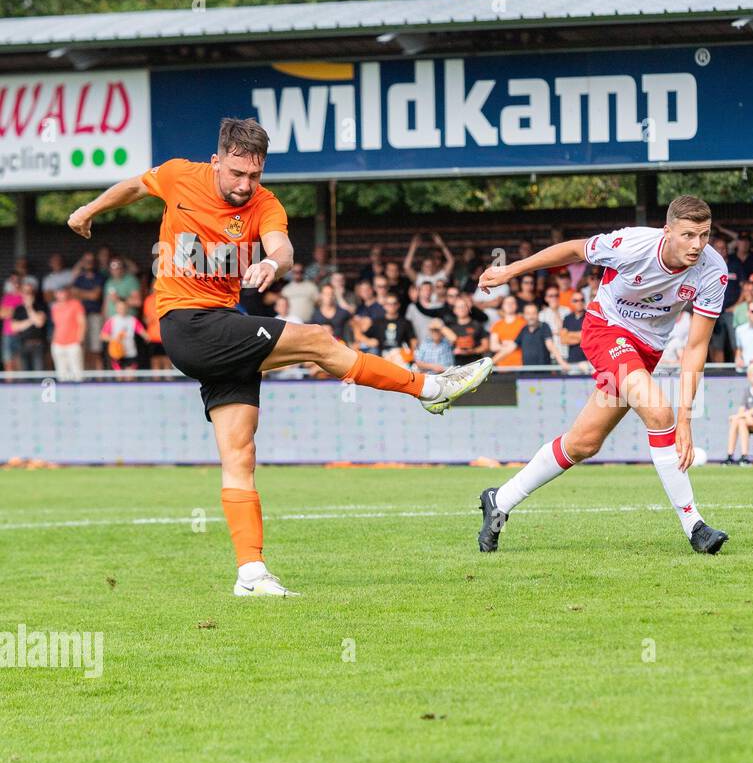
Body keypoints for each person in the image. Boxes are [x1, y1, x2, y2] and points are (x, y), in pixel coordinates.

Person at [65, 117, 491, 596]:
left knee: (240, 455)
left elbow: (282, 247)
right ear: (216, 161)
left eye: (256, 174)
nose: (246, 185)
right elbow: (134, 185)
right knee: (315, 338)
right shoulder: (179, 175)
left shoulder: (264, 204)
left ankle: (250, 574)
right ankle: (430, 388)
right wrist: (88, 209)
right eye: (237, 173)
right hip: (188, 324)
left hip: (223, 330)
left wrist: (271, 262)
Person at [475, 195, 729, 555]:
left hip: (646, 351)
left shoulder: (712, 270)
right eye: (688, 235)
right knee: (658, 411)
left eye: (704, 235)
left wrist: (687, 417)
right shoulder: (632, 245)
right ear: (667, 231)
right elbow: (574, 250)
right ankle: (695, 526)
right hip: (606, 330)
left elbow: (696, 346)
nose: (697, 245)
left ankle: (499, 500)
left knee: (583, 443)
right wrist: (509, 270)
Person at [100, 297, 147, 377]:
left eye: (124, 307)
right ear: (116, 308)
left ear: (127, 308)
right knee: (119, 378)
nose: (122, 309)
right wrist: (114, 339)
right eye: (120, 307)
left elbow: (144, 334)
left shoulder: (132, 320)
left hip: (130, 353)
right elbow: (102, 336)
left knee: (130, 378)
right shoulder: (112, 320)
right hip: (117, 354)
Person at [513, 301, 568, 368]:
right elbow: (511, 346)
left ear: (538, 314)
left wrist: (561, 362)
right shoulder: (524, 329)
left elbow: (550, 345)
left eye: (534, 313)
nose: (531, 316)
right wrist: (495, 360)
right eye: (528, 313)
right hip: (527, 374)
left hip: (543, 373)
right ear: (524, 315)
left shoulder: (544, 326)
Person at [49, 285, 86, 381]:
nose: (61, 294)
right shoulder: (54, 307)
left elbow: (82, 323)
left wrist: (79, 340)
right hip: (58, 344)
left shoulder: (75, 304)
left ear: (67, 293)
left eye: (63, 292)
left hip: (73, 343)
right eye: (59, 292)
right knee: (61, 375)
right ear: (55, 294)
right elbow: (56, 325)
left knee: (77, 374)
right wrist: (54, 341)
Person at [489, 295, 526, 367]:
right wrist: (513, 345)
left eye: (512, 303)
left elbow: (528, 343)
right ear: (503, 306)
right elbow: (493, 346)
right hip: (503, 365)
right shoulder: (497, 325)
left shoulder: (524, 322)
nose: (510, 305)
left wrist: (513, 344)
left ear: (516, 306)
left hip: (520, 364)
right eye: (507, 303)